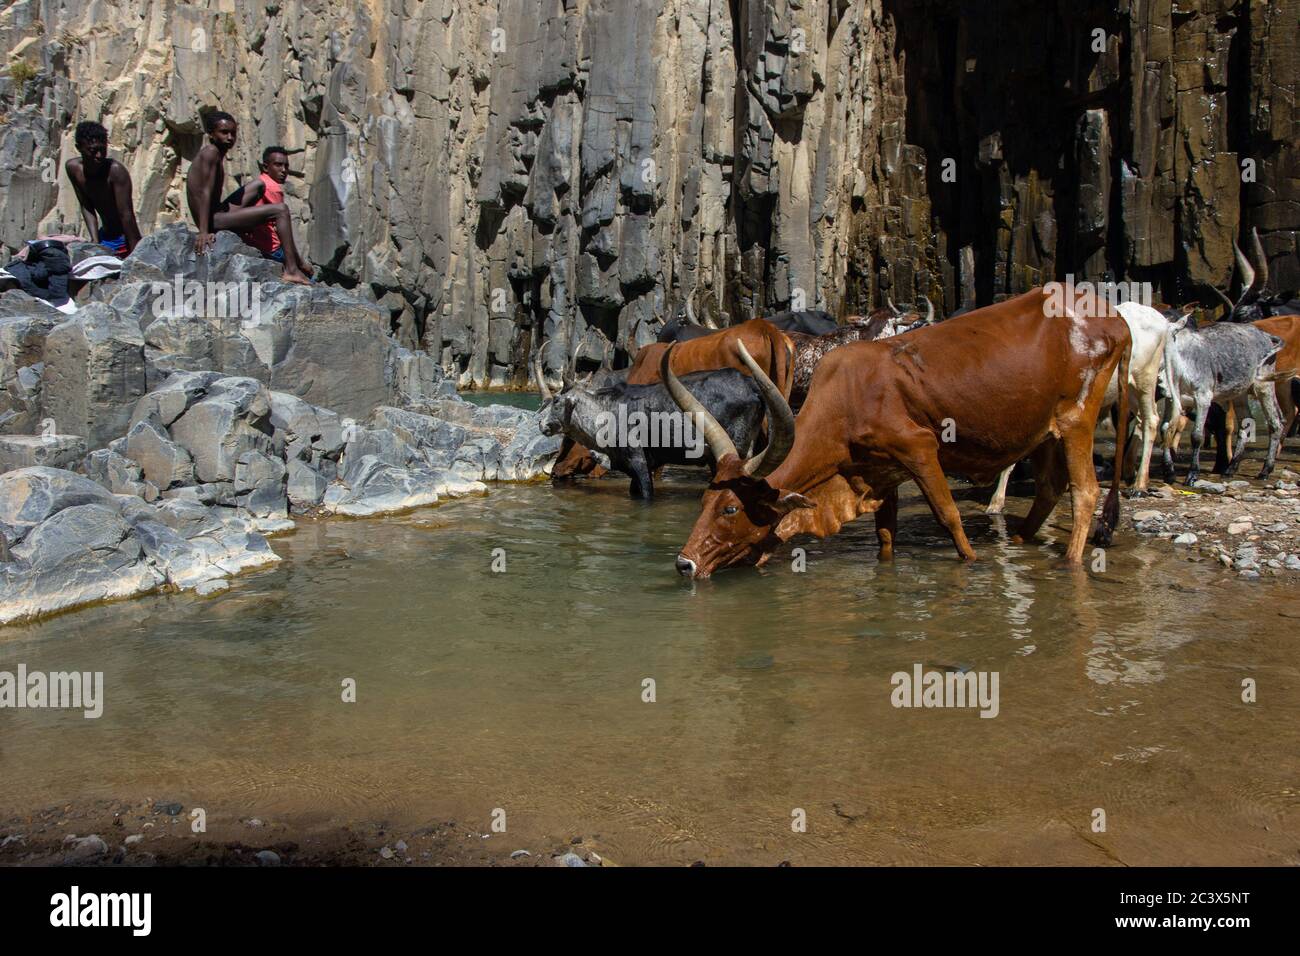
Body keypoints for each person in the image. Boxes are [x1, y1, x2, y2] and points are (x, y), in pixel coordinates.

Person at [185, 111, 310, 284]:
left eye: (233, 133)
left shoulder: (216, 153)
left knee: (257, 186)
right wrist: (204, 232)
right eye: (224, 132)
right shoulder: (211, 153)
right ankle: (291, 269)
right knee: (280, 210)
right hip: (213, 219)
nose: (230, 137)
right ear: (211, 134)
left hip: (217, 213)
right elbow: (205, 192)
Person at [230, 145, 313, 278]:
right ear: (265, 167)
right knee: (309, 279)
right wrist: (300, 262)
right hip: (270, 248)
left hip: (256, 243)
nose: (283, 170)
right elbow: (283, 232)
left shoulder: (261, 182)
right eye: (278, 165)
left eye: (286, 166)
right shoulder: (272, 188)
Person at [64, 121, 142, 257]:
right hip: (104, 236)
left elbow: (126, 215)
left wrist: (135, 254)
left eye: (103, 149)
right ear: (79, 148)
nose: (99, 155)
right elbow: (86, 205)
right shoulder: (73, 169)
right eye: (93, 151)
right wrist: (95, 241)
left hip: (124, 239)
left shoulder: (116, 172)